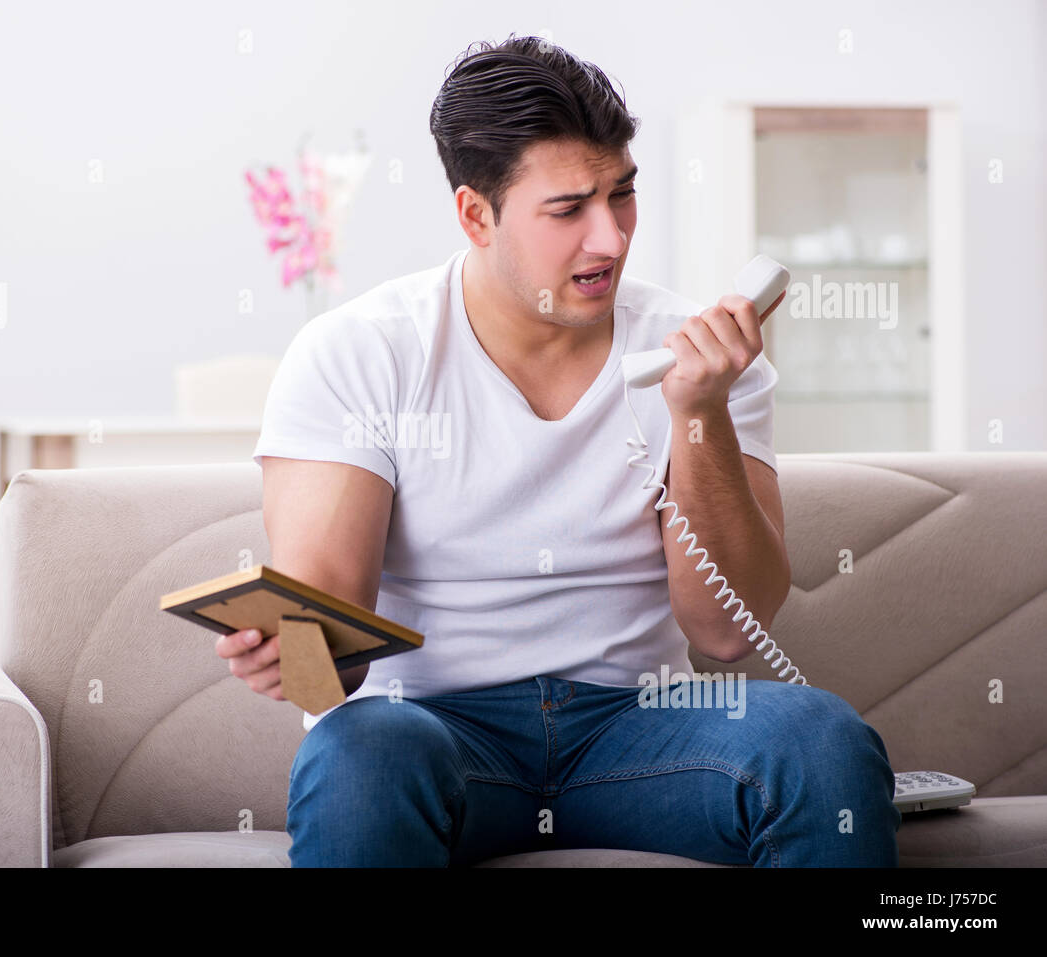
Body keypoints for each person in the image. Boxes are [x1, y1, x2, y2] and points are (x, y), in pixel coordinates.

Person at [215, 34, 901, 867]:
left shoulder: (699, 358)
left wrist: (699, 414)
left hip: (638, 725)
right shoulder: (359, 354)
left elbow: (726, 631)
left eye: (623, 195)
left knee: (820, 740)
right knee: (360, 755)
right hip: (433, 731)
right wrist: (298, 654)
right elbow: (332, 647)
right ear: (476, 214)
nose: (610, 239)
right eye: (569, 208)